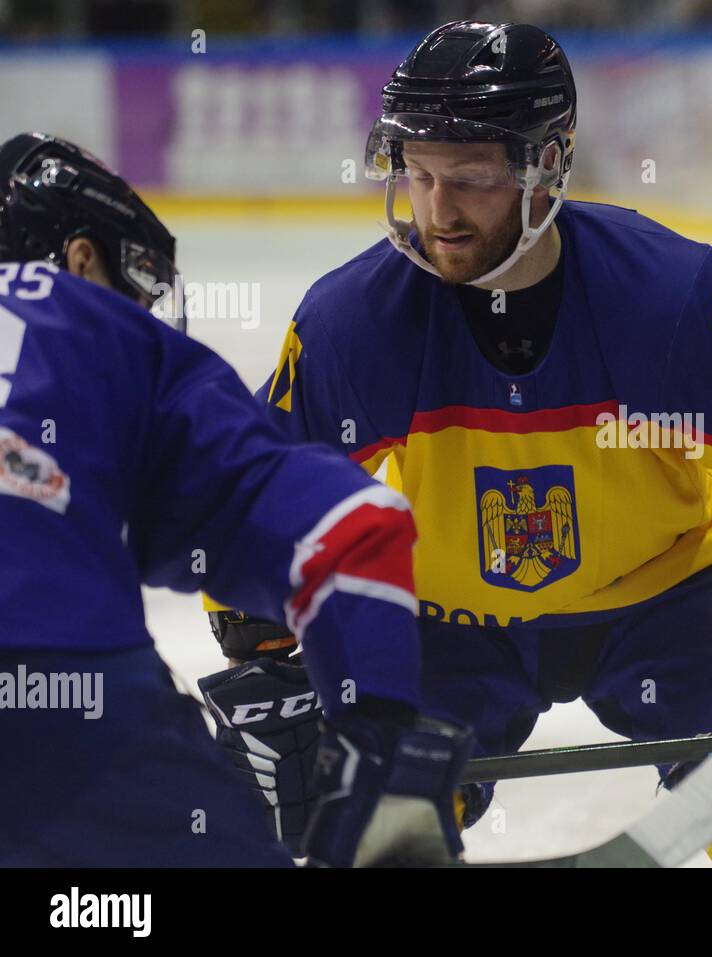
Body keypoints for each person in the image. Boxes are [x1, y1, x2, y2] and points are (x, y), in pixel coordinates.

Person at [212, 19, 712, 868]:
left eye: (471, 178)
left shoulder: (677, 299)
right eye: (418, 175)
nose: (437, 212)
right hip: (448, 619)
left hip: (675, 600)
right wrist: (265, 658)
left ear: (550, 163)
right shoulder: (353, 326)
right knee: (373, 835)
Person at [0, 132, 468, 867]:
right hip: (61, 698)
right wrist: (377, 739)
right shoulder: (104, 341)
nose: (137, 308)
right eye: (137, 282)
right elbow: (354, 526)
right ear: (81, 260)